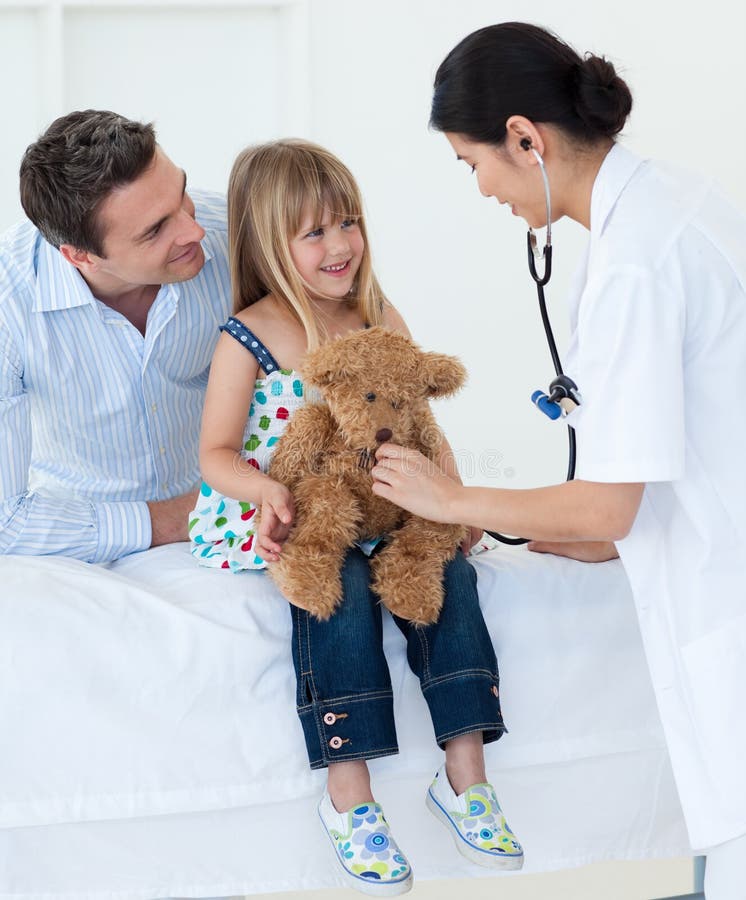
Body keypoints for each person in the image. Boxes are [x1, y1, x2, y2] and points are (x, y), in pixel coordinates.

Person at [370, 21, 746, 900]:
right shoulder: (676, 206)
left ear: (524, 139)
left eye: (473, 164)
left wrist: (453, 498)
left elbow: (609, 503)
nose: (482, 189)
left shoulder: (634, 265)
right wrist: (609, 536)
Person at [189, 138, 524, 895]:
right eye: (314, 232)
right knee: (334, 580)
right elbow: (213, 453)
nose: (340, 245)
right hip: (296, 510)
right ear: (268, 243)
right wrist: (266, 493)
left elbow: (421, 425)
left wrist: (455, 498)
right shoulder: (248, 333)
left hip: (385, 501)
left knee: (449, 573)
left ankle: (466, 777)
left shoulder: (378, 315)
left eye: (348, 222)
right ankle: (349, 796)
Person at [0, 109, 231, 561]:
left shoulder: (238, 231)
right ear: (80, 257)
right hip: (76, 543)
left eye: (181, 194)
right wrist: (183, 516)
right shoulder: (9, 300)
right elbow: (4, 524)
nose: (195, 230)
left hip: (231, 520)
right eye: (156, 229)